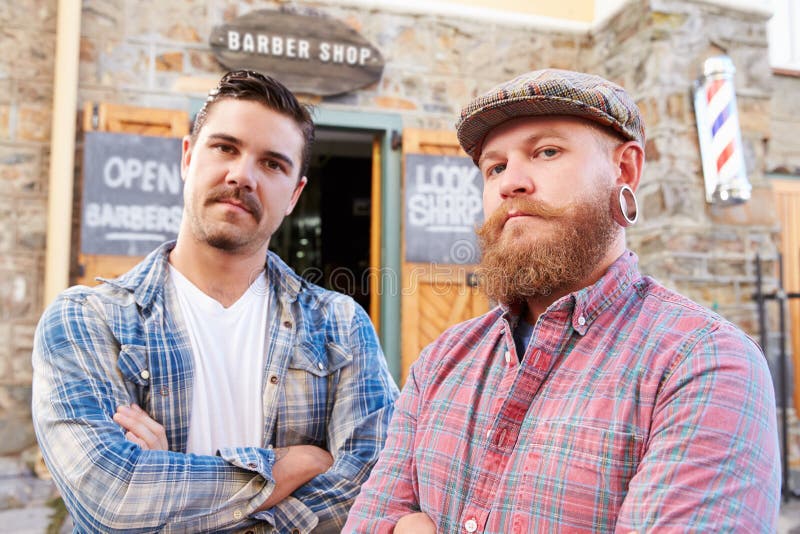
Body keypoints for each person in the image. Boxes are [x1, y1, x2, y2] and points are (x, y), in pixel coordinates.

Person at [344, 69, 780, 533]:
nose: (511, 182)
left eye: (546, 151)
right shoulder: (441, 360)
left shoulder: (703, 363)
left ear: (625, 169)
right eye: (495, 167)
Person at [32, 70, 398, 533]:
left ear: (295, 195)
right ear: (188, 156)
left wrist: (169, 487)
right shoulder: (88, 320)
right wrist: (293, 464)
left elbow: (378, 484)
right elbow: (112, 496)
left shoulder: (340, 325)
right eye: (225, 147)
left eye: (272, 164)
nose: (241, 175)